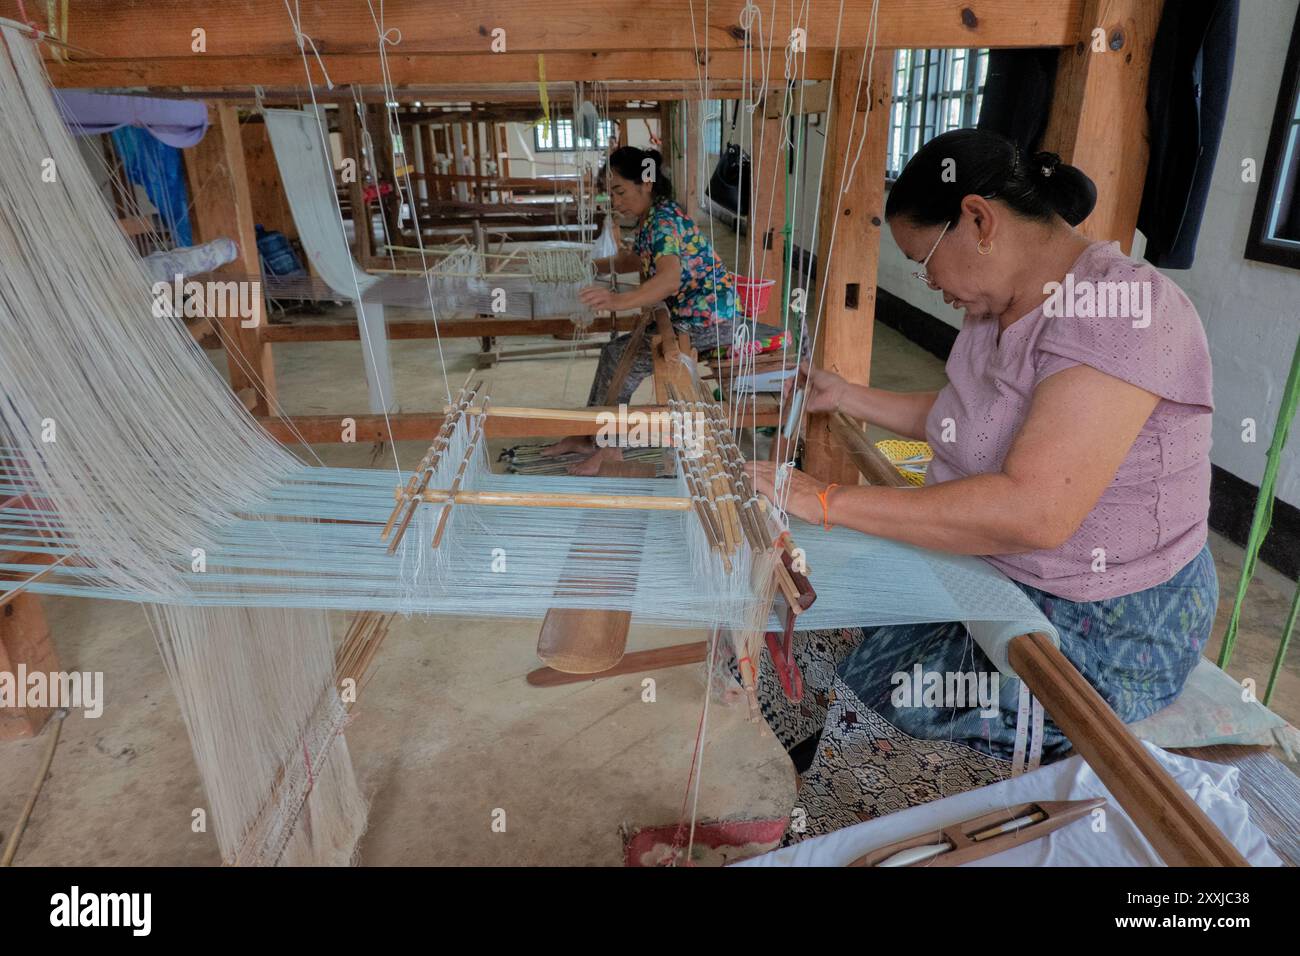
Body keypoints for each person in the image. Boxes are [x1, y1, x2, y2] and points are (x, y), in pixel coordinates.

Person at [747, 128, 1216, 762]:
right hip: (991, 573)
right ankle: (796, 794)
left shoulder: (1121, 307)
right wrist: (848, 395)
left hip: (1103, 619)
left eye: (926, 260)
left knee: (879, 711)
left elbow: (1035, 511)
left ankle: (824, 829)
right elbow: (963, 420)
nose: (927, 282)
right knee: (789, 633)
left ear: (978, 220)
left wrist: (821, 498)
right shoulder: (994, 309)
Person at [542, 146, 736, 475]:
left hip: (708, 322)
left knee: (620, 358)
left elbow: (669, 279)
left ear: (646, 182)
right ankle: (592, 437)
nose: (615, 202)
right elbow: (636, 259)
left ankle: (609, 449)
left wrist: (617, 301)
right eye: (611, 193)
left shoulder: (663, 221)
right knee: (614, 354)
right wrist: (592, 265)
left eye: (619, 191)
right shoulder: (654, 217)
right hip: (685, 317)